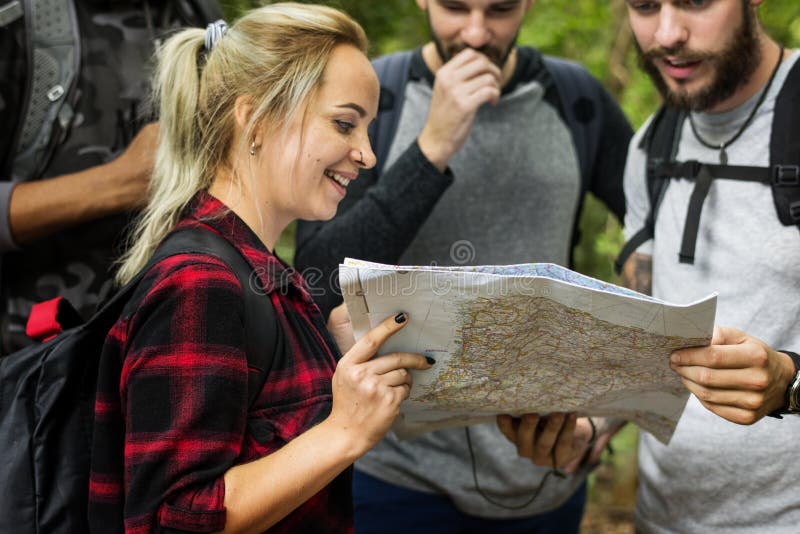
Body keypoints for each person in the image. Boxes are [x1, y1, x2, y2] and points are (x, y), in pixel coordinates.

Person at [87, 4, 432, 532]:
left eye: (366, 129)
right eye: (344, 123)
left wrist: (328, 351)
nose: (366, 154)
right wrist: (344, 430)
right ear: (256, 117)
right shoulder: (200, 281)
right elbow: (168, 520)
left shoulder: (256, 265)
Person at [294, 0, 632, 530]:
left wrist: (604, 415)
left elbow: (653, 237)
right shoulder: (372, 98)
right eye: (455, 7)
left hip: (544, 477)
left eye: (499, 10)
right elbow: (313, 278)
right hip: (393, 479)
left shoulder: (577, 98)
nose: (476, 33)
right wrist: (431, 149)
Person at [620, 0, 800, 531]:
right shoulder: (651, 145)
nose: (668, 32)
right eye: (645, 5)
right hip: (661, 516)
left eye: (696, 1)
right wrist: (588, 429)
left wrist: (789, 385)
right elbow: (648, 351)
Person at [0, 0, 226, 355]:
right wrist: (119, 183)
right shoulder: (17, 20)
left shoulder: (197, 13)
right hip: (39, 373)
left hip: (178, 353)